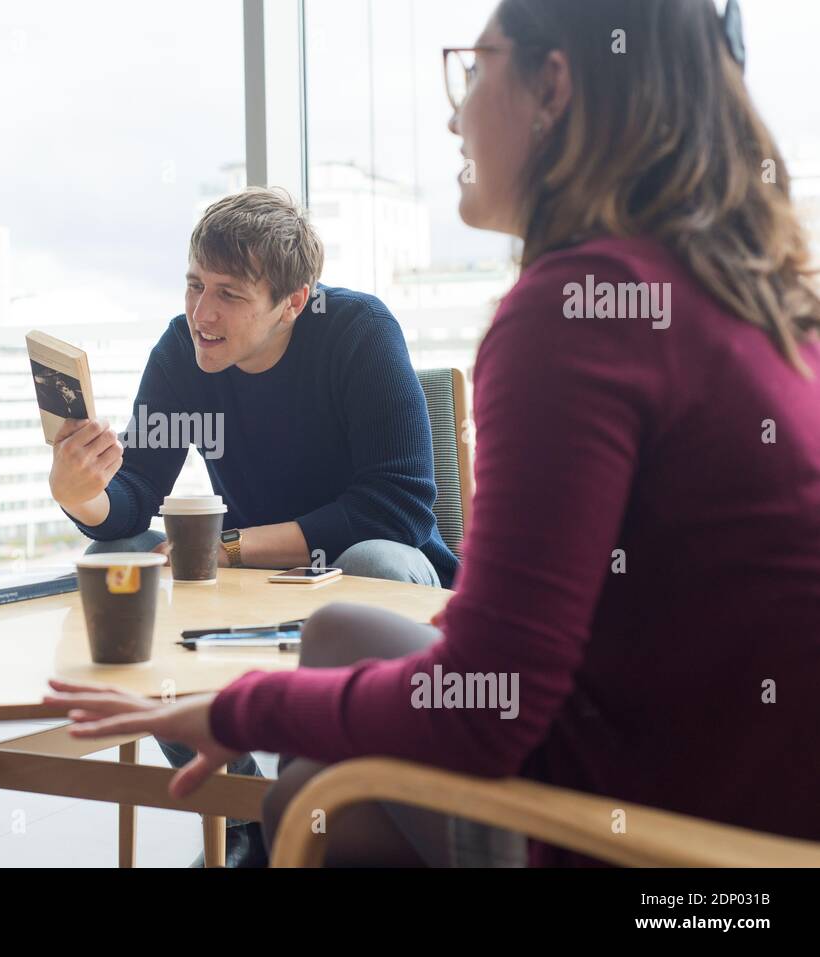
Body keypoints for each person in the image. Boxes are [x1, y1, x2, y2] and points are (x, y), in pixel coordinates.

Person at [46, 0, 820, 867]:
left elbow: (484, 704)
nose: (454, 113)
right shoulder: (745, 290)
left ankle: (262, 840)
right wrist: (86, 495)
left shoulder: (571, 315)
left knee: (315, 790)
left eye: (474, 67)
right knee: (340, 644)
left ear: (551, 86)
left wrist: (237, 709)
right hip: (755, 801)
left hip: (675, 850)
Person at [49, 187, 458, 865]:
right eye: (194, 285)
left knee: (376, 561)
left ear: (294, 301)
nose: (202, 313)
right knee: (119, 549)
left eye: (230, 294)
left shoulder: (358, 330)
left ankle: (339, 817)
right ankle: (247, 820)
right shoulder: (184, 351)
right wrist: (82, 494)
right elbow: (135, 494)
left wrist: (229, 550)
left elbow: (400, 504)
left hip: (380, 568)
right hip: (249, 576)